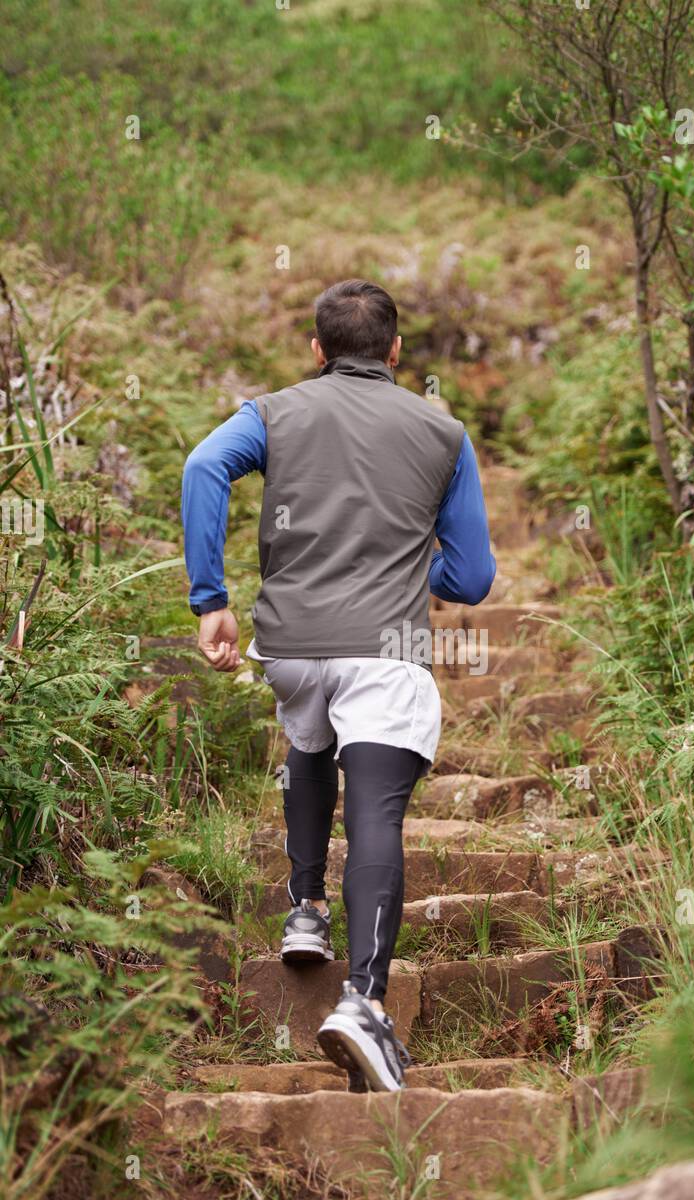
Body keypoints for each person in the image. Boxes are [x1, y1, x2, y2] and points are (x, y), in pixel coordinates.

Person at [181, 279, 495, 1090]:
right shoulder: (442, 431)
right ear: (395, 353)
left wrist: (209, 599)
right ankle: (363, 1000)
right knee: (377, 809)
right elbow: (471, 579)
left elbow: (202, 466)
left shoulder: (272, 412)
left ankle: (305, 909)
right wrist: (401, 551)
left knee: (309, 738)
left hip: (289, 643)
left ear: (316, 351)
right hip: (383, 649)